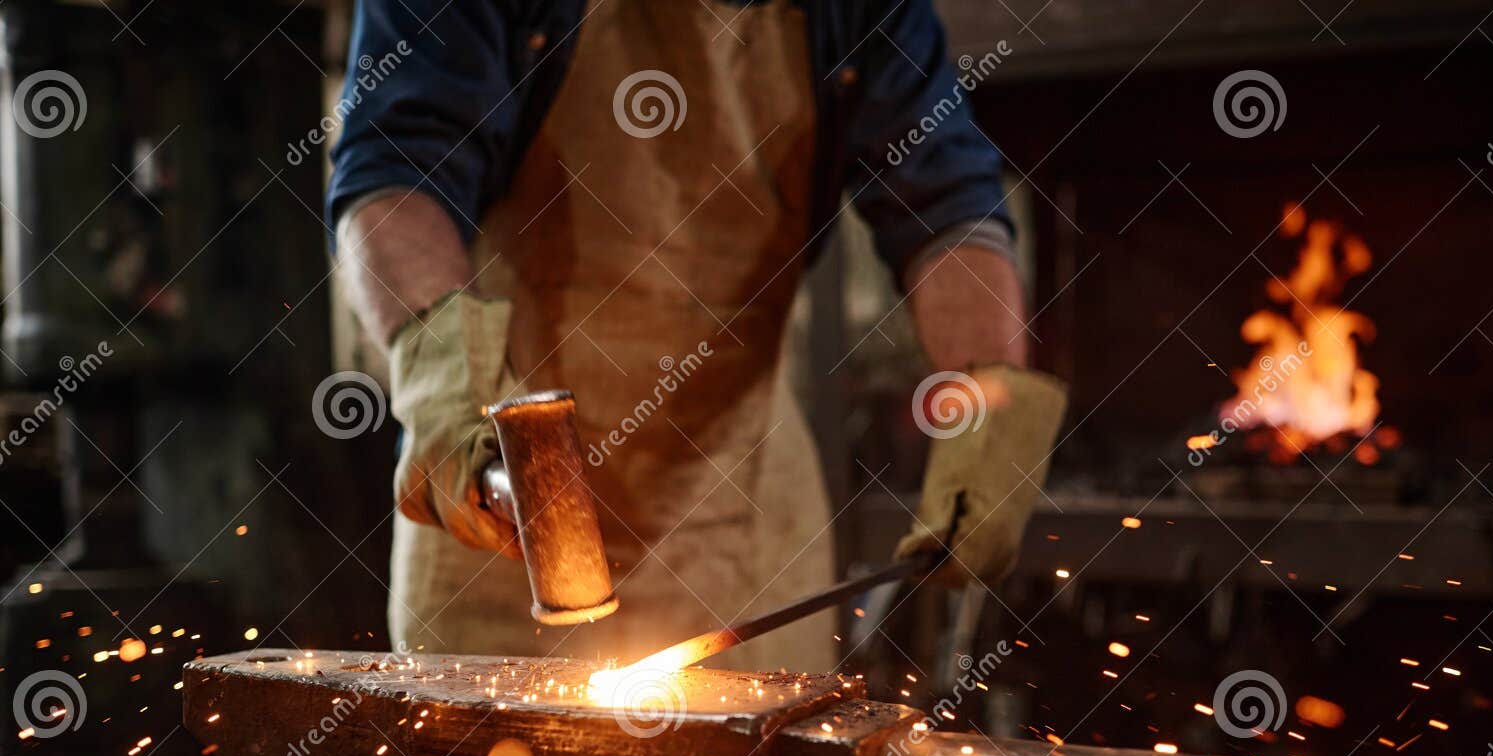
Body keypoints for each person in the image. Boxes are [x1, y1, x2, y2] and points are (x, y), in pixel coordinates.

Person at [329, 0, 1066, 671]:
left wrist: (990, 408)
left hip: (743, 527)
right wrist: (448, 390)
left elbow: (947, 210)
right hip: (494, 513)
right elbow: (394, 176)